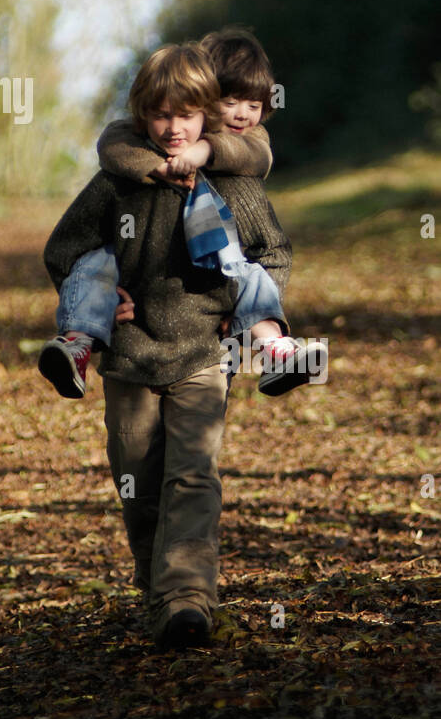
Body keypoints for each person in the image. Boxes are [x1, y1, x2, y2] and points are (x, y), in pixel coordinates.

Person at [41, 41, 293, 648]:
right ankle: (157, 584)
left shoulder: (232, 184)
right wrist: (105, 298)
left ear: (206, 115)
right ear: (142, 116)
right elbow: (65, 247)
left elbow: (273, 253)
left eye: (186, 114)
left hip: (204, 354)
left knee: (194, 475)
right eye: (160, 115)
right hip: (130, 357)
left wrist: (244, 310)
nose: (174, 127)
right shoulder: (118, 184)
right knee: (138, 479)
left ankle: (187, 599)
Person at [39, 27, 325, 399]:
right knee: (96, 264)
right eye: (230, 102)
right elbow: (114, 140)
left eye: (254, 106)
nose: (242, 116)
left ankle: (274, 347)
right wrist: (154, 167)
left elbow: (258, 155)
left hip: (215, 288)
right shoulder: (148, 140)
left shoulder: (248, 146)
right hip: (136, 300)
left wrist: (206, 150)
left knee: (249, 272)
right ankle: (77, 340)